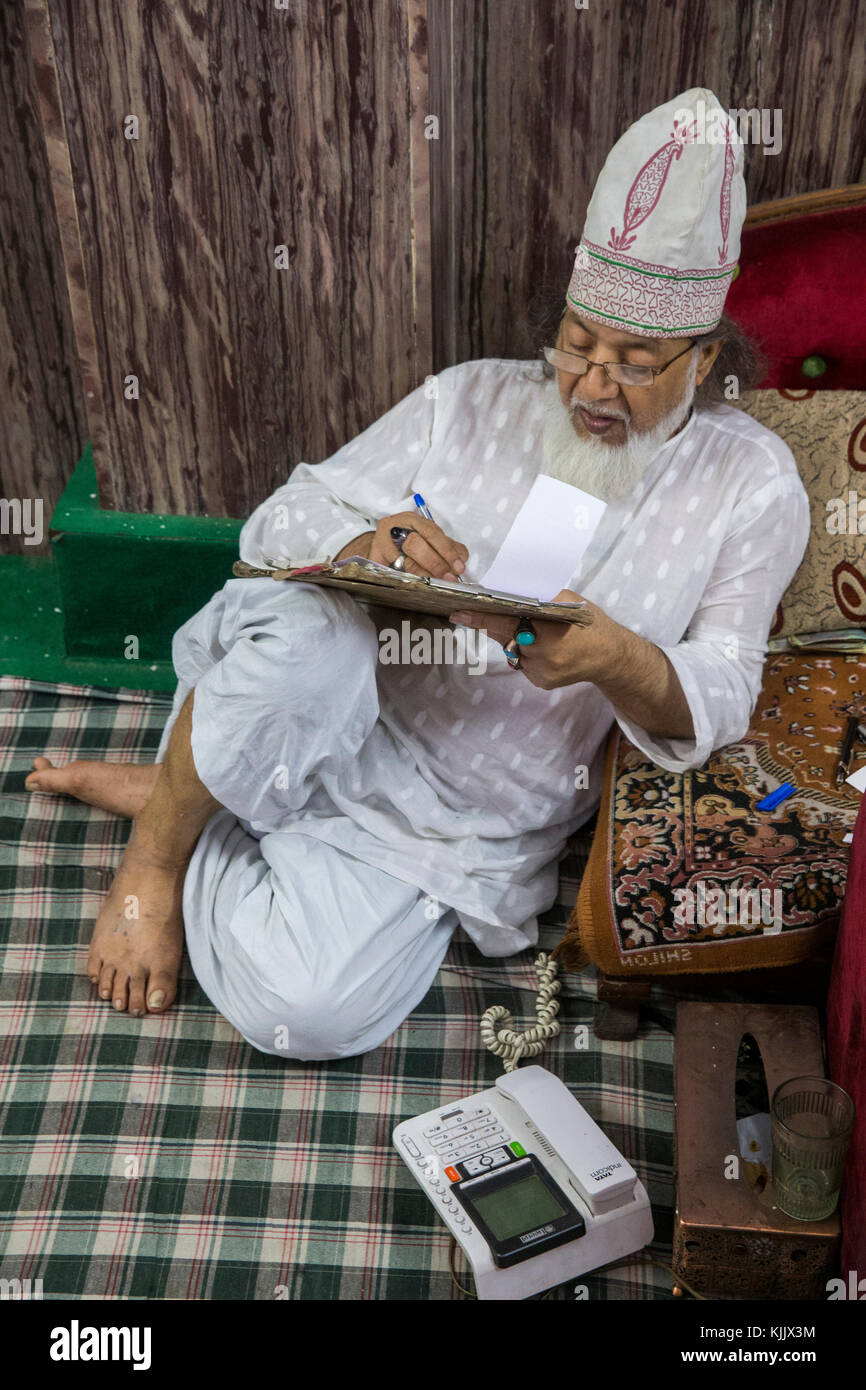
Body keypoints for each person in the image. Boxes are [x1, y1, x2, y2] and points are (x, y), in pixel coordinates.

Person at [25, 88, 809, 1060]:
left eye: (636, 361)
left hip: (456, 825)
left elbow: (724, 691)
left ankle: (203, 783)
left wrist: (616, 660)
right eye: (575, 344)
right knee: (306, 630)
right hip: (332, 707)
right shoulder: (472, 399)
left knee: (307, 1014)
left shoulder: (749, 483)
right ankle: (155, 857)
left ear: (703, 357)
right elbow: (281, 522)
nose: (591, 386)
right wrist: (368, 548)